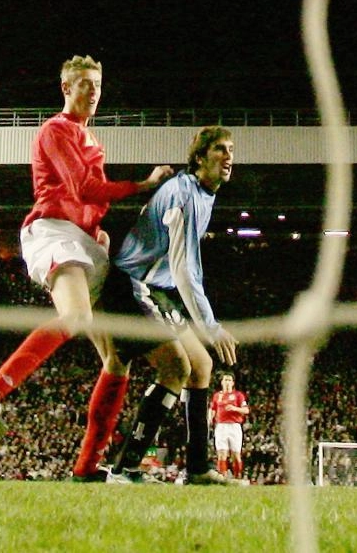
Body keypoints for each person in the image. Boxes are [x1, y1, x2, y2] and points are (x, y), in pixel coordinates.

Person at [0, 55, 172, 435]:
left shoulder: (88, 136)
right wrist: (143, 185)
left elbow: (92, 199)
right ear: (66, 88)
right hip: (54, 230)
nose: (93, 92)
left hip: (84, 240)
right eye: (85, 84)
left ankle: (88, 466)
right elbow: (83, 189)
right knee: (77, 318)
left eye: (98, 86)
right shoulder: (55, 130)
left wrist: (97, 229)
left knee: (115, 357)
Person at [72, 125, 242, 485]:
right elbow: (184, 270)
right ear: (199, 157)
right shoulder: (184, 195)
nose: (228, 157)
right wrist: (210, 325)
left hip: (155, 290)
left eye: (231, 150)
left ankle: (197, 469)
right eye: (220, 150)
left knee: (201, 366)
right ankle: (125, 468)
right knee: (176, 368)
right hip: (132, 286)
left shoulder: (201, 193)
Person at [212, 372, 250, 480]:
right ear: (221, 382)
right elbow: (213, 409)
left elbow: (246, 410)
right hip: (221, 426)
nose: (227, 382)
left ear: (233, 383)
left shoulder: (238, 395)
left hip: (234, 426)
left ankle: (238, 477)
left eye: (229, 380)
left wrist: (234, 409)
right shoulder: (217, 396)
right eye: (225, 380)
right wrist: (209, 418)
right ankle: (222, 478)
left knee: (235, 454)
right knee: (221, 453)